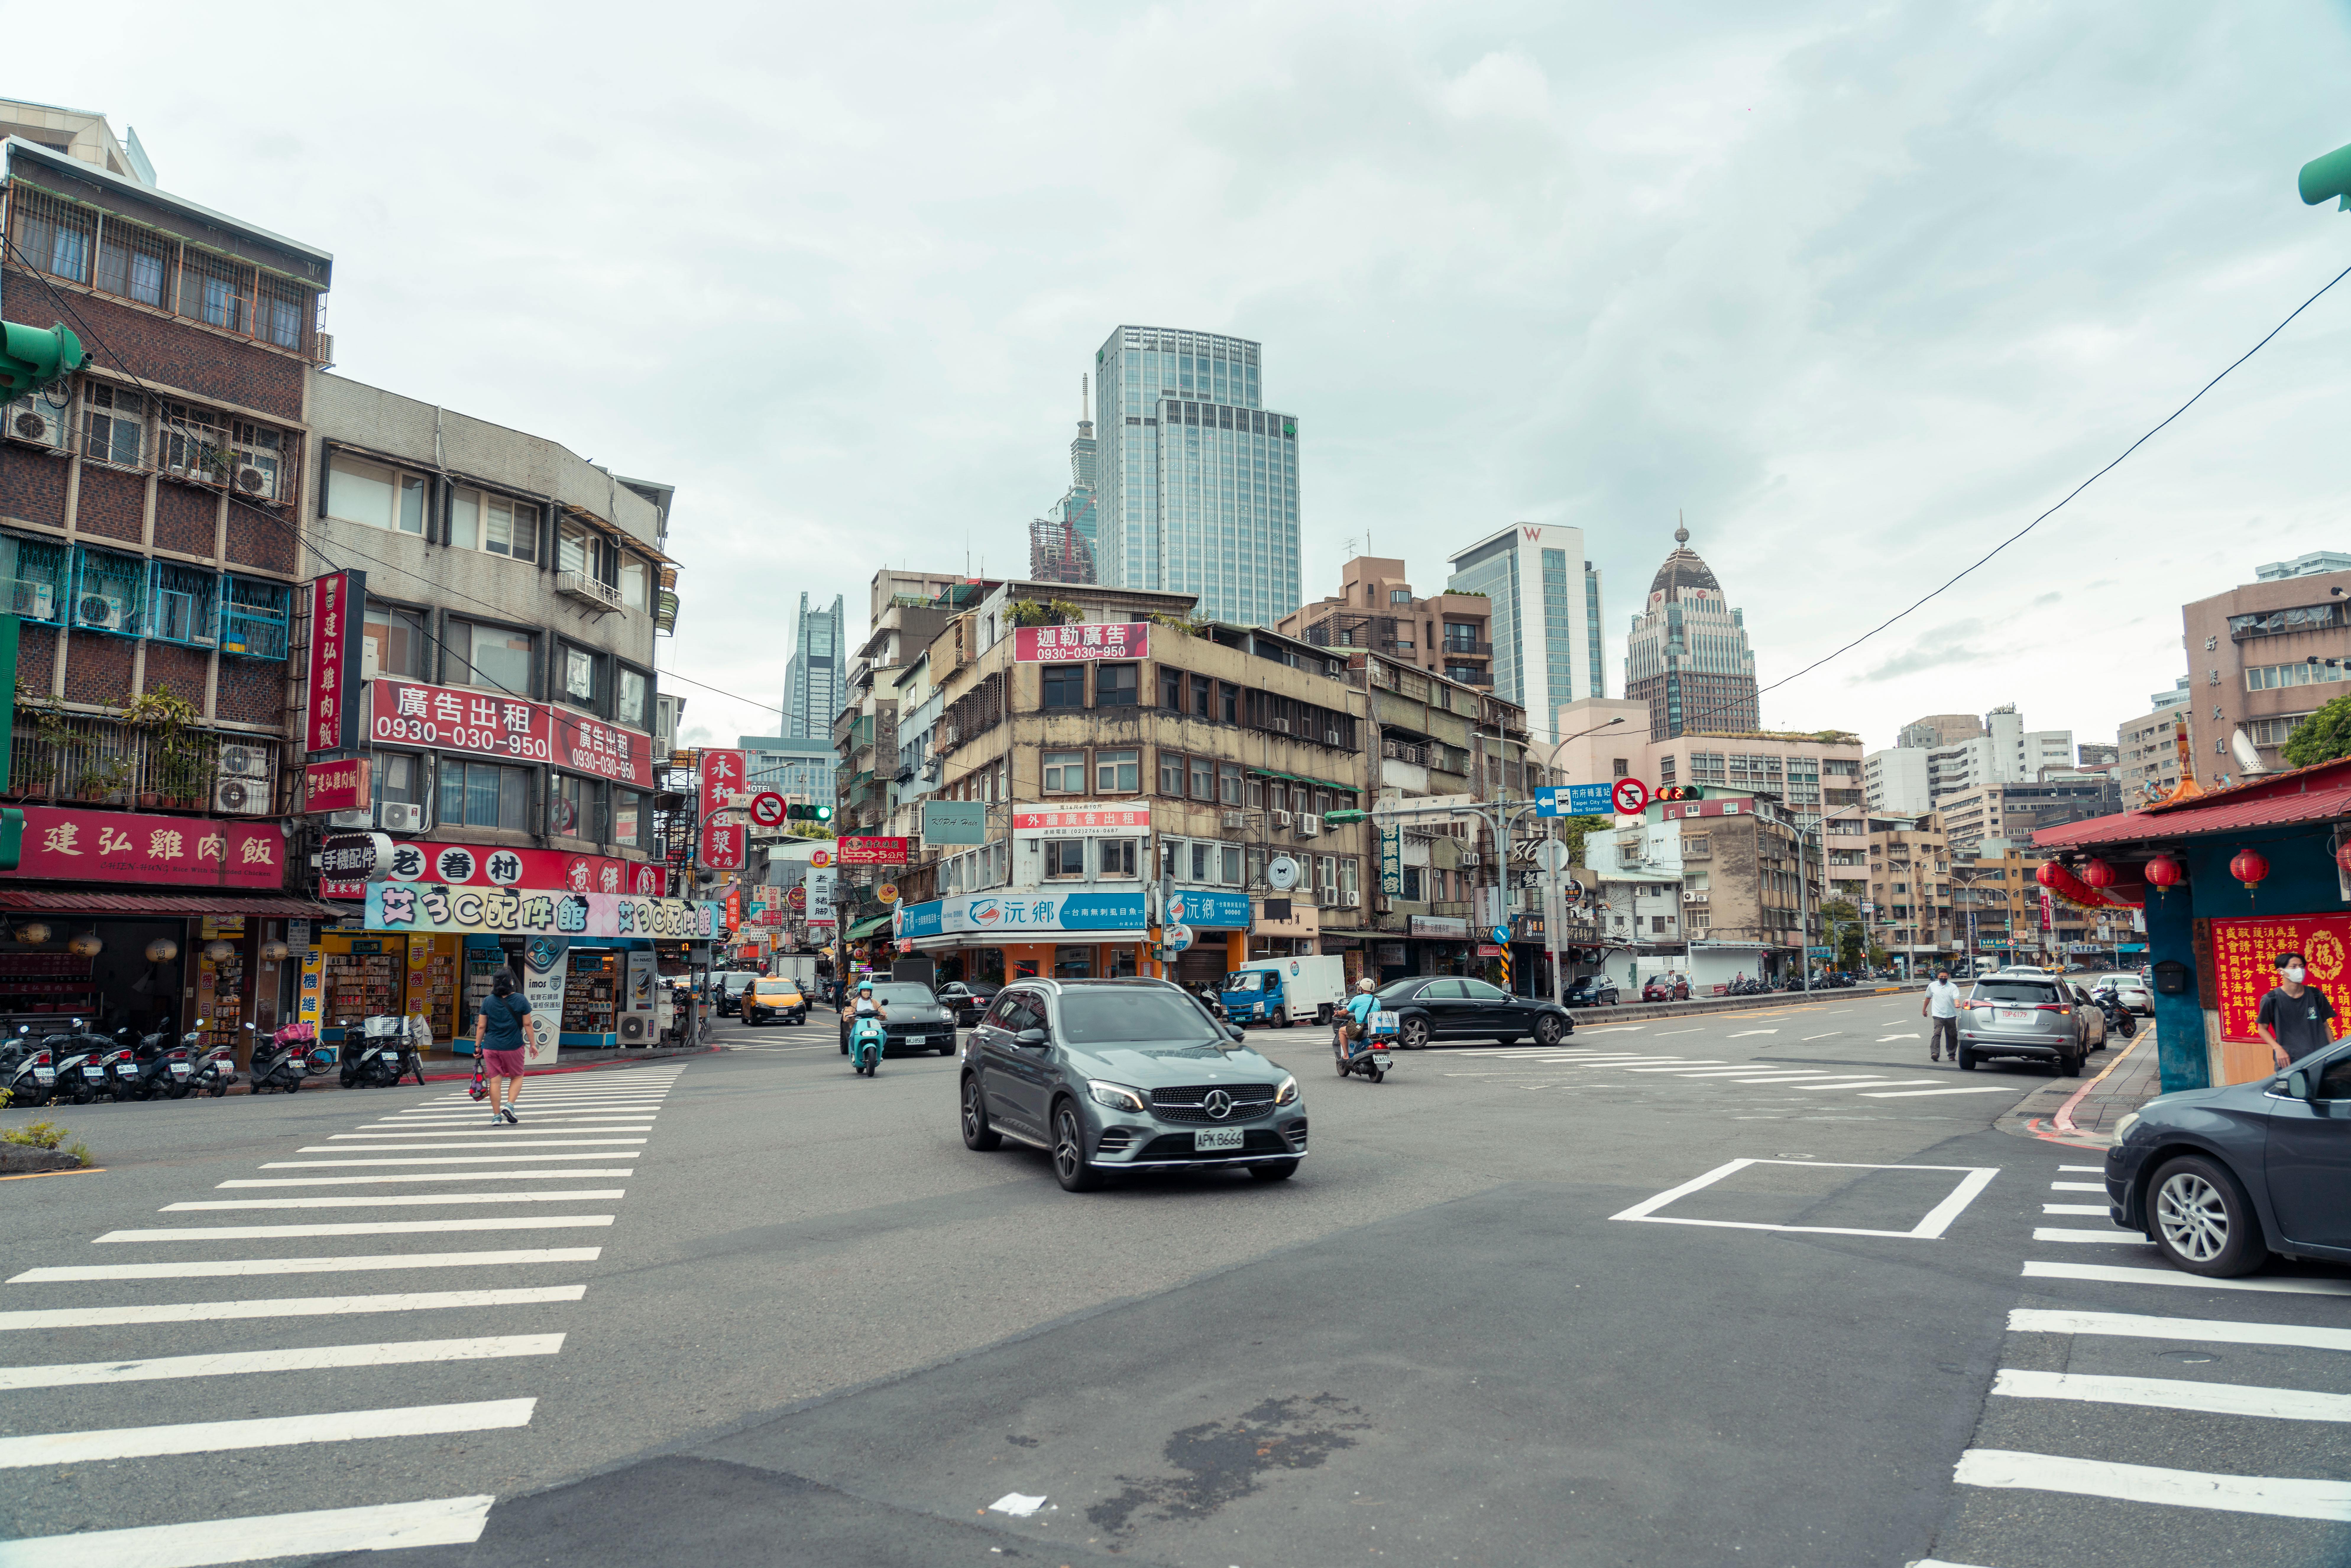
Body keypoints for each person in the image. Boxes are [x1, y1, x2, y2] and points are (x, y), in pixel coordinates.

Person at [2256, 950, 2337, 1071]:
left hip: (2320, 1058)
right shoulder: (2271, 999)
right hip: (2290, 1061)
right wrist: (2278, 1049)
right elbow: (2262, 1029)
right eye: (2293, 967)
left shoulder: (2316, 995)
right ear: (2281, 972)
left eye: (2301, 967)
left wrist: (2333, 1050)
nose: (2299, 970)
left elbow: (2325, 1026)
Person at [472, 970, 532, 1125]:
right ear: (511, 983)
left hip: (491, 1047)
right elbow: (527, 1024)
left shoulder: (488, 1001)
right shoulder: (521, 1000)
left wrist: (478, 1047)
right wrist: (533, 1045)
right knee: (517, 1077)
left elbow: (481, 1026)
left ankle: (496, 1116)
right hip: (513, 1046)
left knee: (496, 1082)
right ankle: (510, 1105)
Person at [1922, 968, 1961, 1064]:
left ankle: (1952, 1054)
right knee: (1937, 1033)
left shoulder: (1953, 987)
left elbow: (1956, 998)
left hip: (1951, 1015)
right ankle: (1935, 1053)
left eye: (1945, 977)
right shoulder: (1932, 986)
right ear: (1938, 976)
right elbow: (1928, 998)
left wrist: (1957, 1004)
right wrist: (1924, 1010)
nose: (1943, 978)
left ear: (1948, 977)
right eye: (1941, 976)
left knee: (1952, 1035)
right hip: (1938, 1015)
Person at [1337, 977, 1380, 1057]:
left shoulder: (1357, 999)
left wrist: (1337, 1013)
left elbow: (1345, 1012)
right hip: (1373, 1029)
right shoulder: (1377, 1001)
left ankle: (1346, 1055)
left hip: (1361, 1028)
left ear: (1362, 989)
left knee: (1341, 1031)